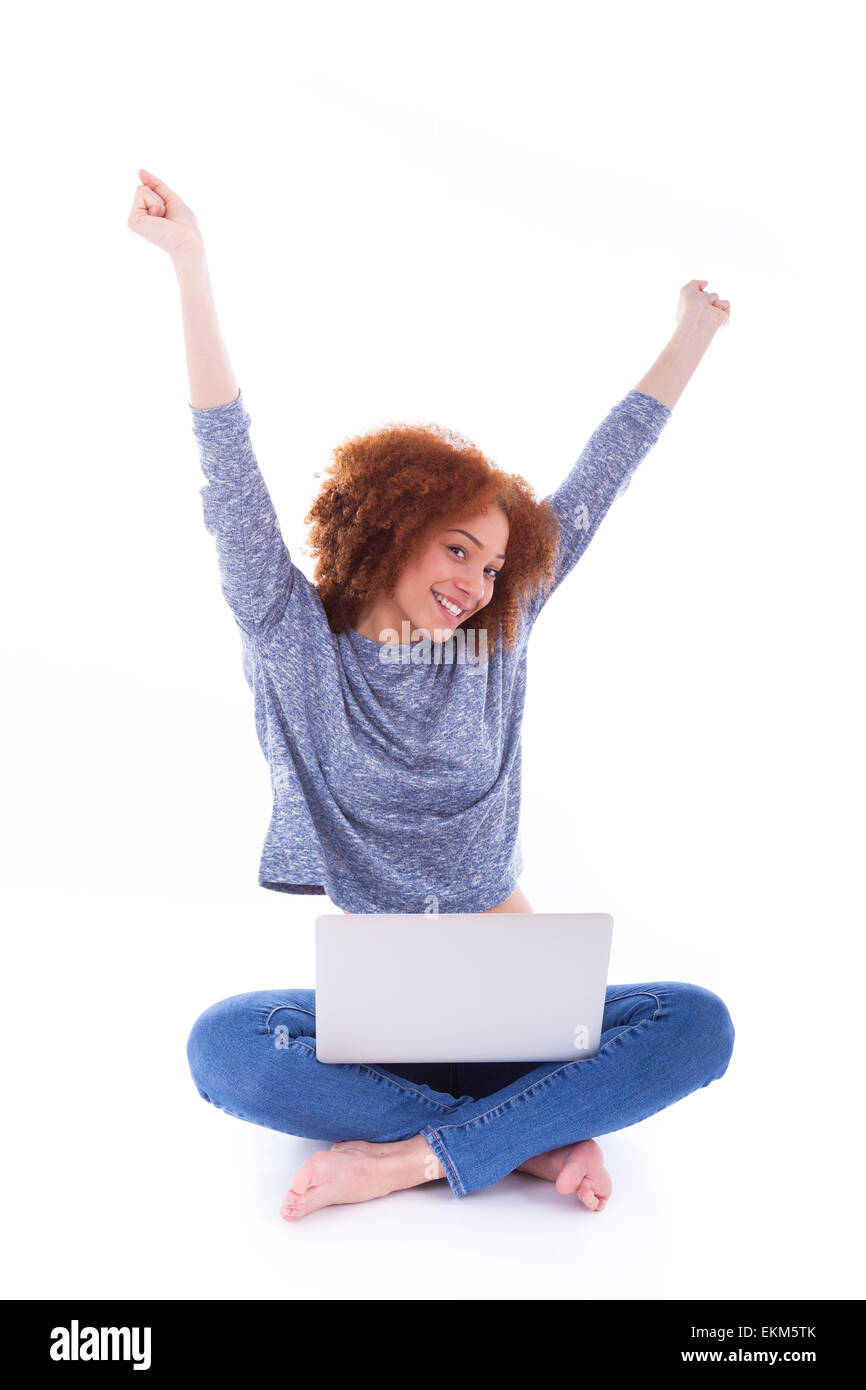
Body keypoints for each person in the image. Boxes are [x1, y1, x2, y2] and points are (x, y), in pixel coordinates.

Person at [128, 169, 735, 1222]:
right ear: (389, 522)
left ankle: (412, 1155)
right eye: (459, 547)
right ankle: (530, 1134)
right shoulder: (291, 638)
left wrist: (689, 335)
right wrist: (191, 266)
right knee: (224, 1046)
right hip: (384, 1006)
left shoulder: (500, 637)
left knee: (699, 1021)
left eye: (497, 564)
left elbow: (603, 473)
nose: (478, 582)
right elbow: (224, 453)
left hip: (513, 986)